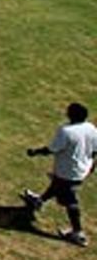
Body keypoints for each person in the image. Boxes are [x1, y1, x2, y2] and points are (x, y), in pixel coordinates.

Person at [21, 102, 97, 247]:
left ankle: (78, 233)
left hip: (67, 172)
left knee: (70, 201)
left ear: (71, 115)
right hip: (82, 170)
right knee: (57, 186)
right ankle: (39, 201)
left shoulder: (66, 131)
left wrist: (34, 152)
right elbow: (95, 151)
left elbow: (52, 149)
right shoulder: (91, 128)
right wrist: (92, 167)